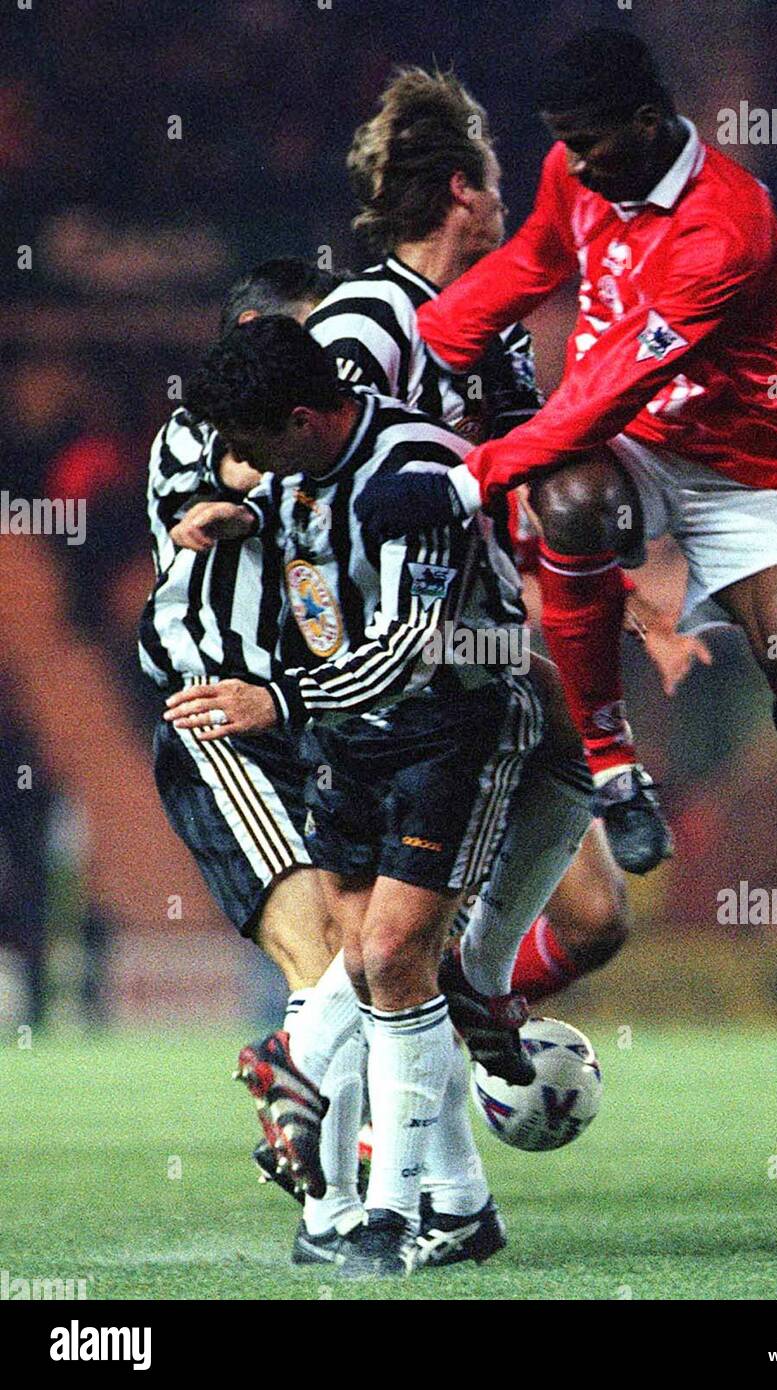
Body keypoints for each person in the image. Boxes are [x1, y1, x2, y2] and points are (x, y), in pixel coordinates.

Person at [356, 28, 777, 856]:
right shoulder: (577, 168)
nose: (573, 163)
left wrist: (467, 481)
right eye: (564, 144)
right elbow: (535, 261)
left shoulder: (727, 227)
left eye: (587, 143)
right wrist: (429, 336)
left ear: (645, 119)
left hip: (734, 466)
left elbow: (613, 383)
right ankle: (612, 768)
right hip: (621, 445)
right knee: (571, 499)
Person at [165, 316, 549, 1278]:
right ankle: (458, 1208)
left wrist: (278, 700)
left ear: (301, 417)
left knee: (391, 952)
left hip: (450, 722)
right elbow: (316, 538)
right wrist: (247, 516)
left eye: (251, 450)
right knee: (370, 963)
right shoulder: (299, 464)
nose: (240, 465)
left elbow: (410, 650)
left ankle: (383, 1210)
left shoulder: (411, 475)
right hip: (351, 734)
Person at [139, 258, 368, 1243]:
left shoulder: (336, 458)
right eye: (295, 338)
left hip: (315, 723)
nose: (315, 364)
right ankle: (334, 1205)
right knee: (323, 951)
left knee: (371, 959)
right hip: (218, 724)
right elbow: (223, 482)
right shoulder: (195, 432)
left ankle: (377, 1182)